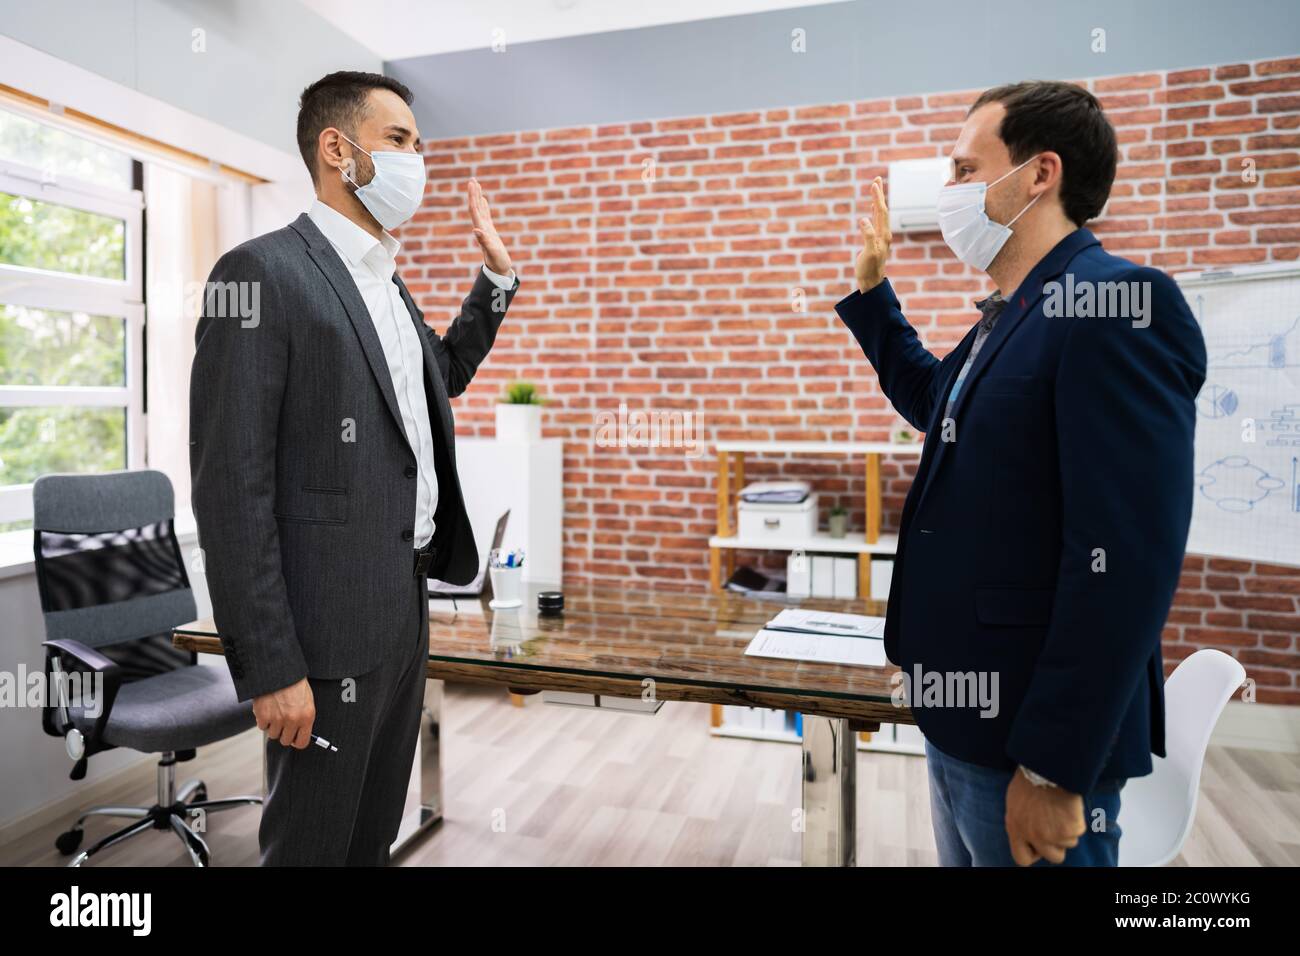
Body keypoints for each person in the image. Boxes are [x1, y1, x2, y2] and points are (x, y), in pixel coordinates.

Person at [836, 80, 1206, 866]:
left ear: (1040, 174)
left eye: (966, 171)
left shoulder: (1117, 303)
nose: (949, 192)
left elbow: (1125, 562)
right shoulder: (1013, 313)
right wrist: (874, 291)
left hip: (1027, 741)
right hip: (963, 724)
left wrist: (1052, 765)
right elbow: (937, 400)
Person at [190, 71, 518, 865]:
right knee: (312, 846)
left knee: (372, 837)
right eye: (399, 140)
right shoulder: (260, 273)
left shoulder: (385, 281)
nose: (417, 160)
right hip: (323, 633)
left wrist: (497, 279)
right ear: (339, 151)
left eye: (418, 143)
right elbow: (232, 488)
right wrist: (269, 666)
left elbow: (440, 377)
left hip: (404, 610)